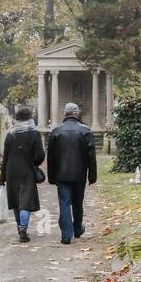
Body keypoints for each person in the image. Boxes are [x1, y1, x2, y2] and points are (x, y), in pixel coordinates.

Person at [46, 101, 97, 245]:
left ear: (65, 114)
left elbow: (51, 157)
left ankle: (66, 235)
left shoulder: (56, 131)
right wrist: (92, 175)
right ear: (77, 114)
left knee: (64, 203)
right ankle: (77, 229)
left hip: (61, 175)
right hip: (79, 174)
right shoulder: (85, 130)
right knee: (77, 203)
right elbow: (91, 157)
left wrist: (51, 177)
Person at [0, 105, 44, 243]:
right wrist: (34, 163)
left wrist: (2, 178)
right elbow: (39, 156)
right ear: (30, 118)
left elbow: (5, 157)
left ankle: (20, 228)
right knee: (26, 201)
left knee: (16, 201)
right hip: (27, 171)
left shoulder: (10, 135)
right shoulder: (34, 134)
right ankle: (23, 227)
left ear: (17, 119)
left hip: (11, 171)